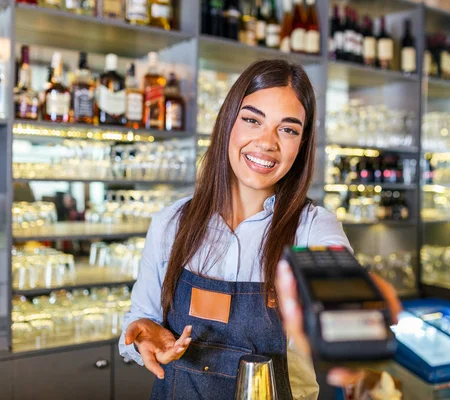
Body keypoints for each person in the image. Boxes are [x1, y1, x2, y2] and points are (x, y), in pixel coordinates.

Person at [119, 59, 401, 400]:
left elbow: (337, 277)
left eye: (288, 129)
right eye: (253, 120)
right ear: (228, 123)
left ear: (301, 144)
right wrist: (145, 334)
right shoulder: (172, 223)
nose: (267, 142)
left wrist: (351, 311)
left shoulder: (311, 229)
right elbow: (141, 320)